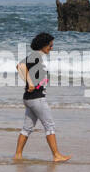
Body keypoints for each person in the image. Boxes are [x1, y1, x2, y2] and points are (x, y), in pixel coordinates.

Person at [14, 32, 71, 162]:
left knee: (27, 128)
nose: (52, 48)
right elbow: (20, 66)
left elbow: (20, 66)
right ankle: (56, 155)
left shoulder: (36, 56)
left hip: (29, 98)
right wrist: (29, 82)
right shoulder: (36, 56)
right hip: (37, 98)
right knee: (49, 125)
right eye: (50, 45)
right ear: (44, 45)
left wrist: (29, 82)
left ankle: (18, 155)